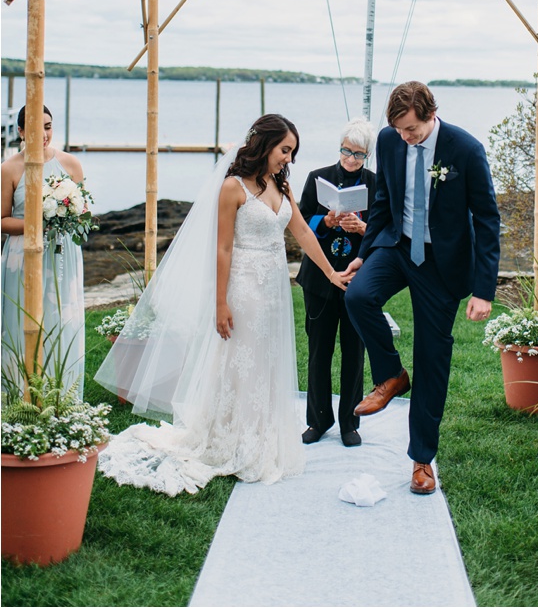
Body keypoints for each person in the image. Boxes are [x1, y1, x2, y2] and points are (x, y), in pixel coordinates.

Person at [95, 114, 350, 496]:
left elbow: (301, 231)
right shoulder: (233, 188)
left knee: (266, 359)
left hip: (275, 289)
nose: (289, 159)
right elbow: (223, 248)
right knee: (239, 362)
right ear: (264, 145)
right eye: (285, 150)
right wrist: (220, 303)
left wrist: (332, 273)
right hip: (244, 287)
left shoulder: (283, 185)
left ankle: (261, 433)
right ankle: (230, 436)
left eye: (293, 152)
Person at [344, 81, 500, 495]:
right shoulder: (389, 140)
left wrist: (484, 290)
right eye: (397, 129)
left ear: (432, 114)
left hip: (441, 264)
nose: (404, 137)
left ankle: (421, 460)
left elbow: (487, 219)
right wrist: (365, 251)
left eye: (411, 130)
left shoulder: (466, 149)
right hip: (395, 246)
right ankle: (392, 375)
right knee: (358, 296)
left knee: (432, 359)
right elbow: (383, 202)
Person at [297, 117, 377, 447]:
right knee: (319, 351)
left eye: (358, 154)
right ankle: (317, 420)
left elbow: (386, 230)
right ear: (339, 147)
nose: (351, 159)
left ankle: (349, 422)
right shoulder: (319, 178)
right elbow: (301, 223)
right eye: (346, 150)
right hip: (320, 279)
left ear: (367, 156)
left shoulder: (376, 183)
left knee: (354, 353)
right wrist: (326, 221)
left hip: (357, 282)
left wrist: (363, 228)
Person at [1, 104, 86, 397]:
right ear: (21, 131)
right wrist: (37, 221)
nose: (44, 135)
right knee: (21, 322)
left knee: (61, 321)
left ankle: (62, 395)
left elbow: (82, 211)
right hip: (21, 256)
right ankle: (19, 397)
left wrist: (68, 215)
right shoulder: (9, 168)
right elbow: (2, 221)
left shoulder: (71, 165)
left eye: (48, 127)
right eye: (36, 129)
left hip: (62, 253)